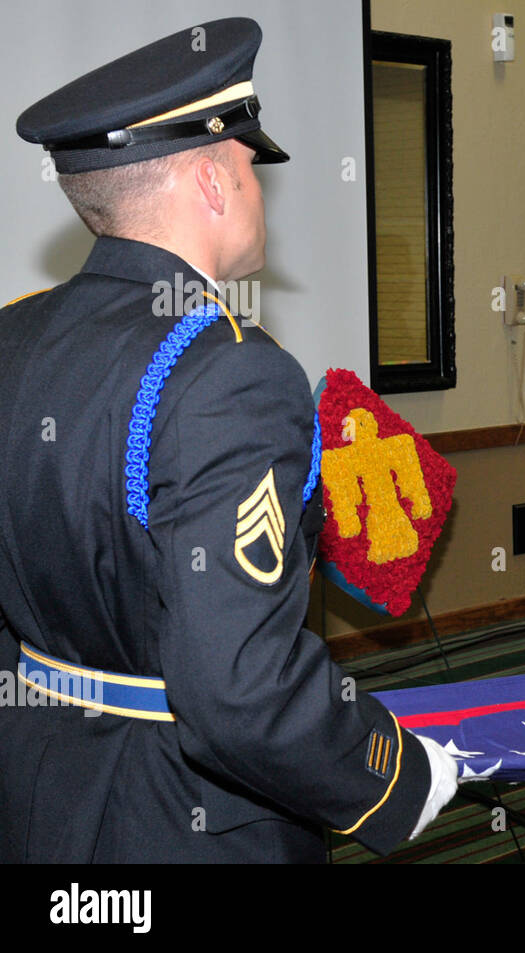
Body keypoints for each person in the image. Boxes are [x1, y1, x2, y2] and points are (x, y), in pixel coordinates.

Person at [0, 18, 458, 862]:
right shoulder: (230, 374)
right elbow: (240, 688)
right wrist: (393, 777)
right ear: (212, 181)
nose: (258, 187)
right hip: (184, 819)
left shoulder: (14, 337)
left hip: (39, 790)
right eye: (252, 166)